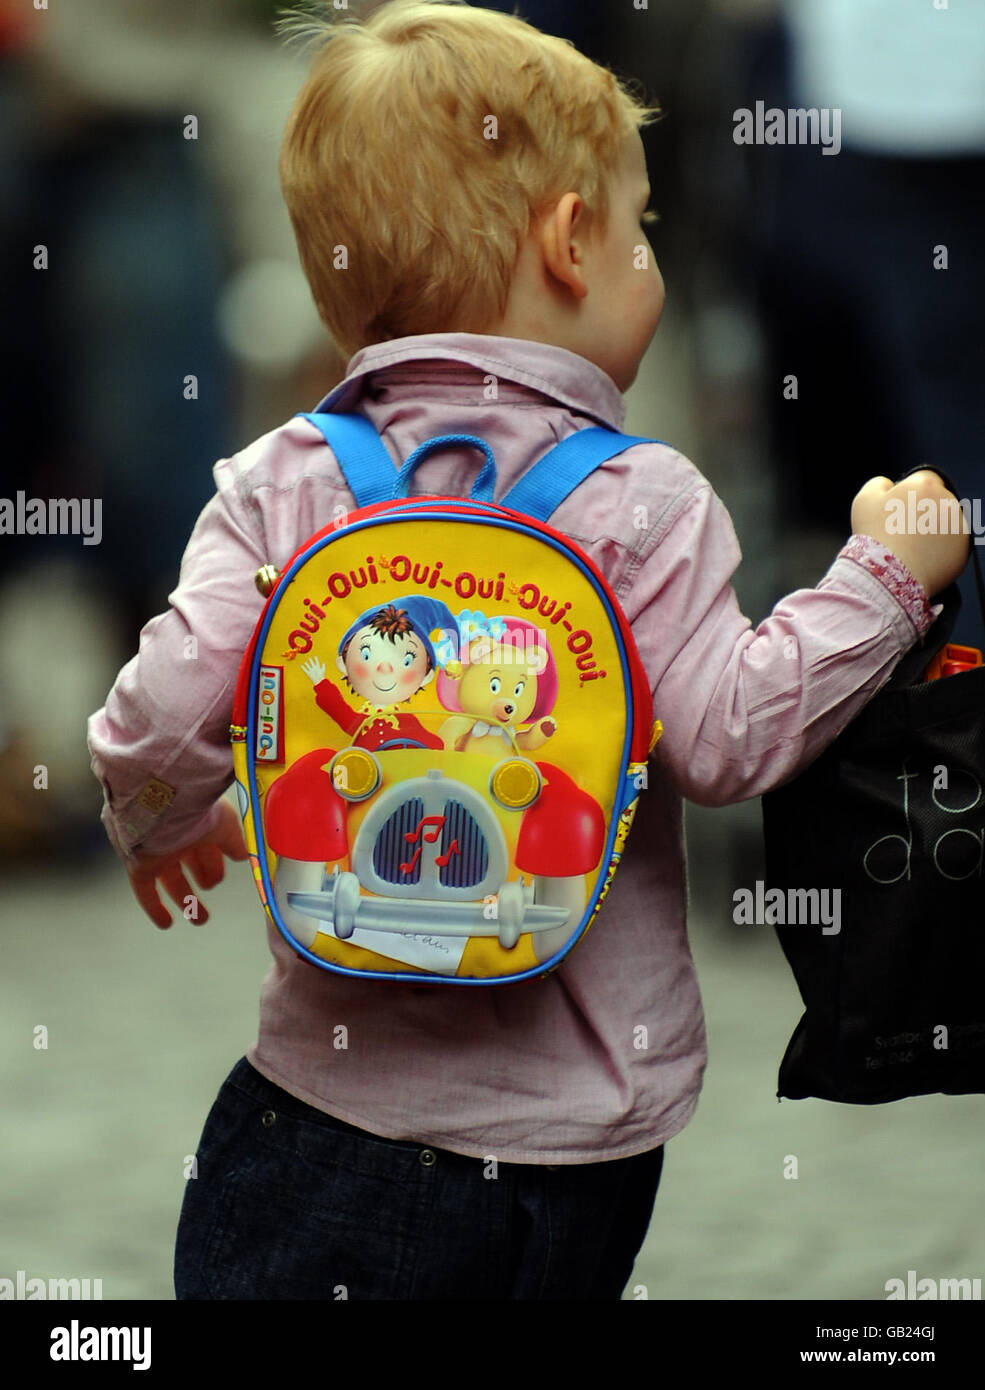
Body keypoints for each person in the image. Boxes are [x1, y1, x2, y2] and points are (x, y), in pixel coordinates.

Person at [87, 0, 969, 1301]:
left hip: (322, 1109)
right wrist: (891, 573)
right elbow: (730, 738)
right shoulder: (640, 500)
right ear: (570, 243)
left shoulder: (283, 480)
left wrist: (158, 817)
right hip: (579, 1145)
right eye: (639, 228)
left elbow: (158, 705)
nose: (646, 255)